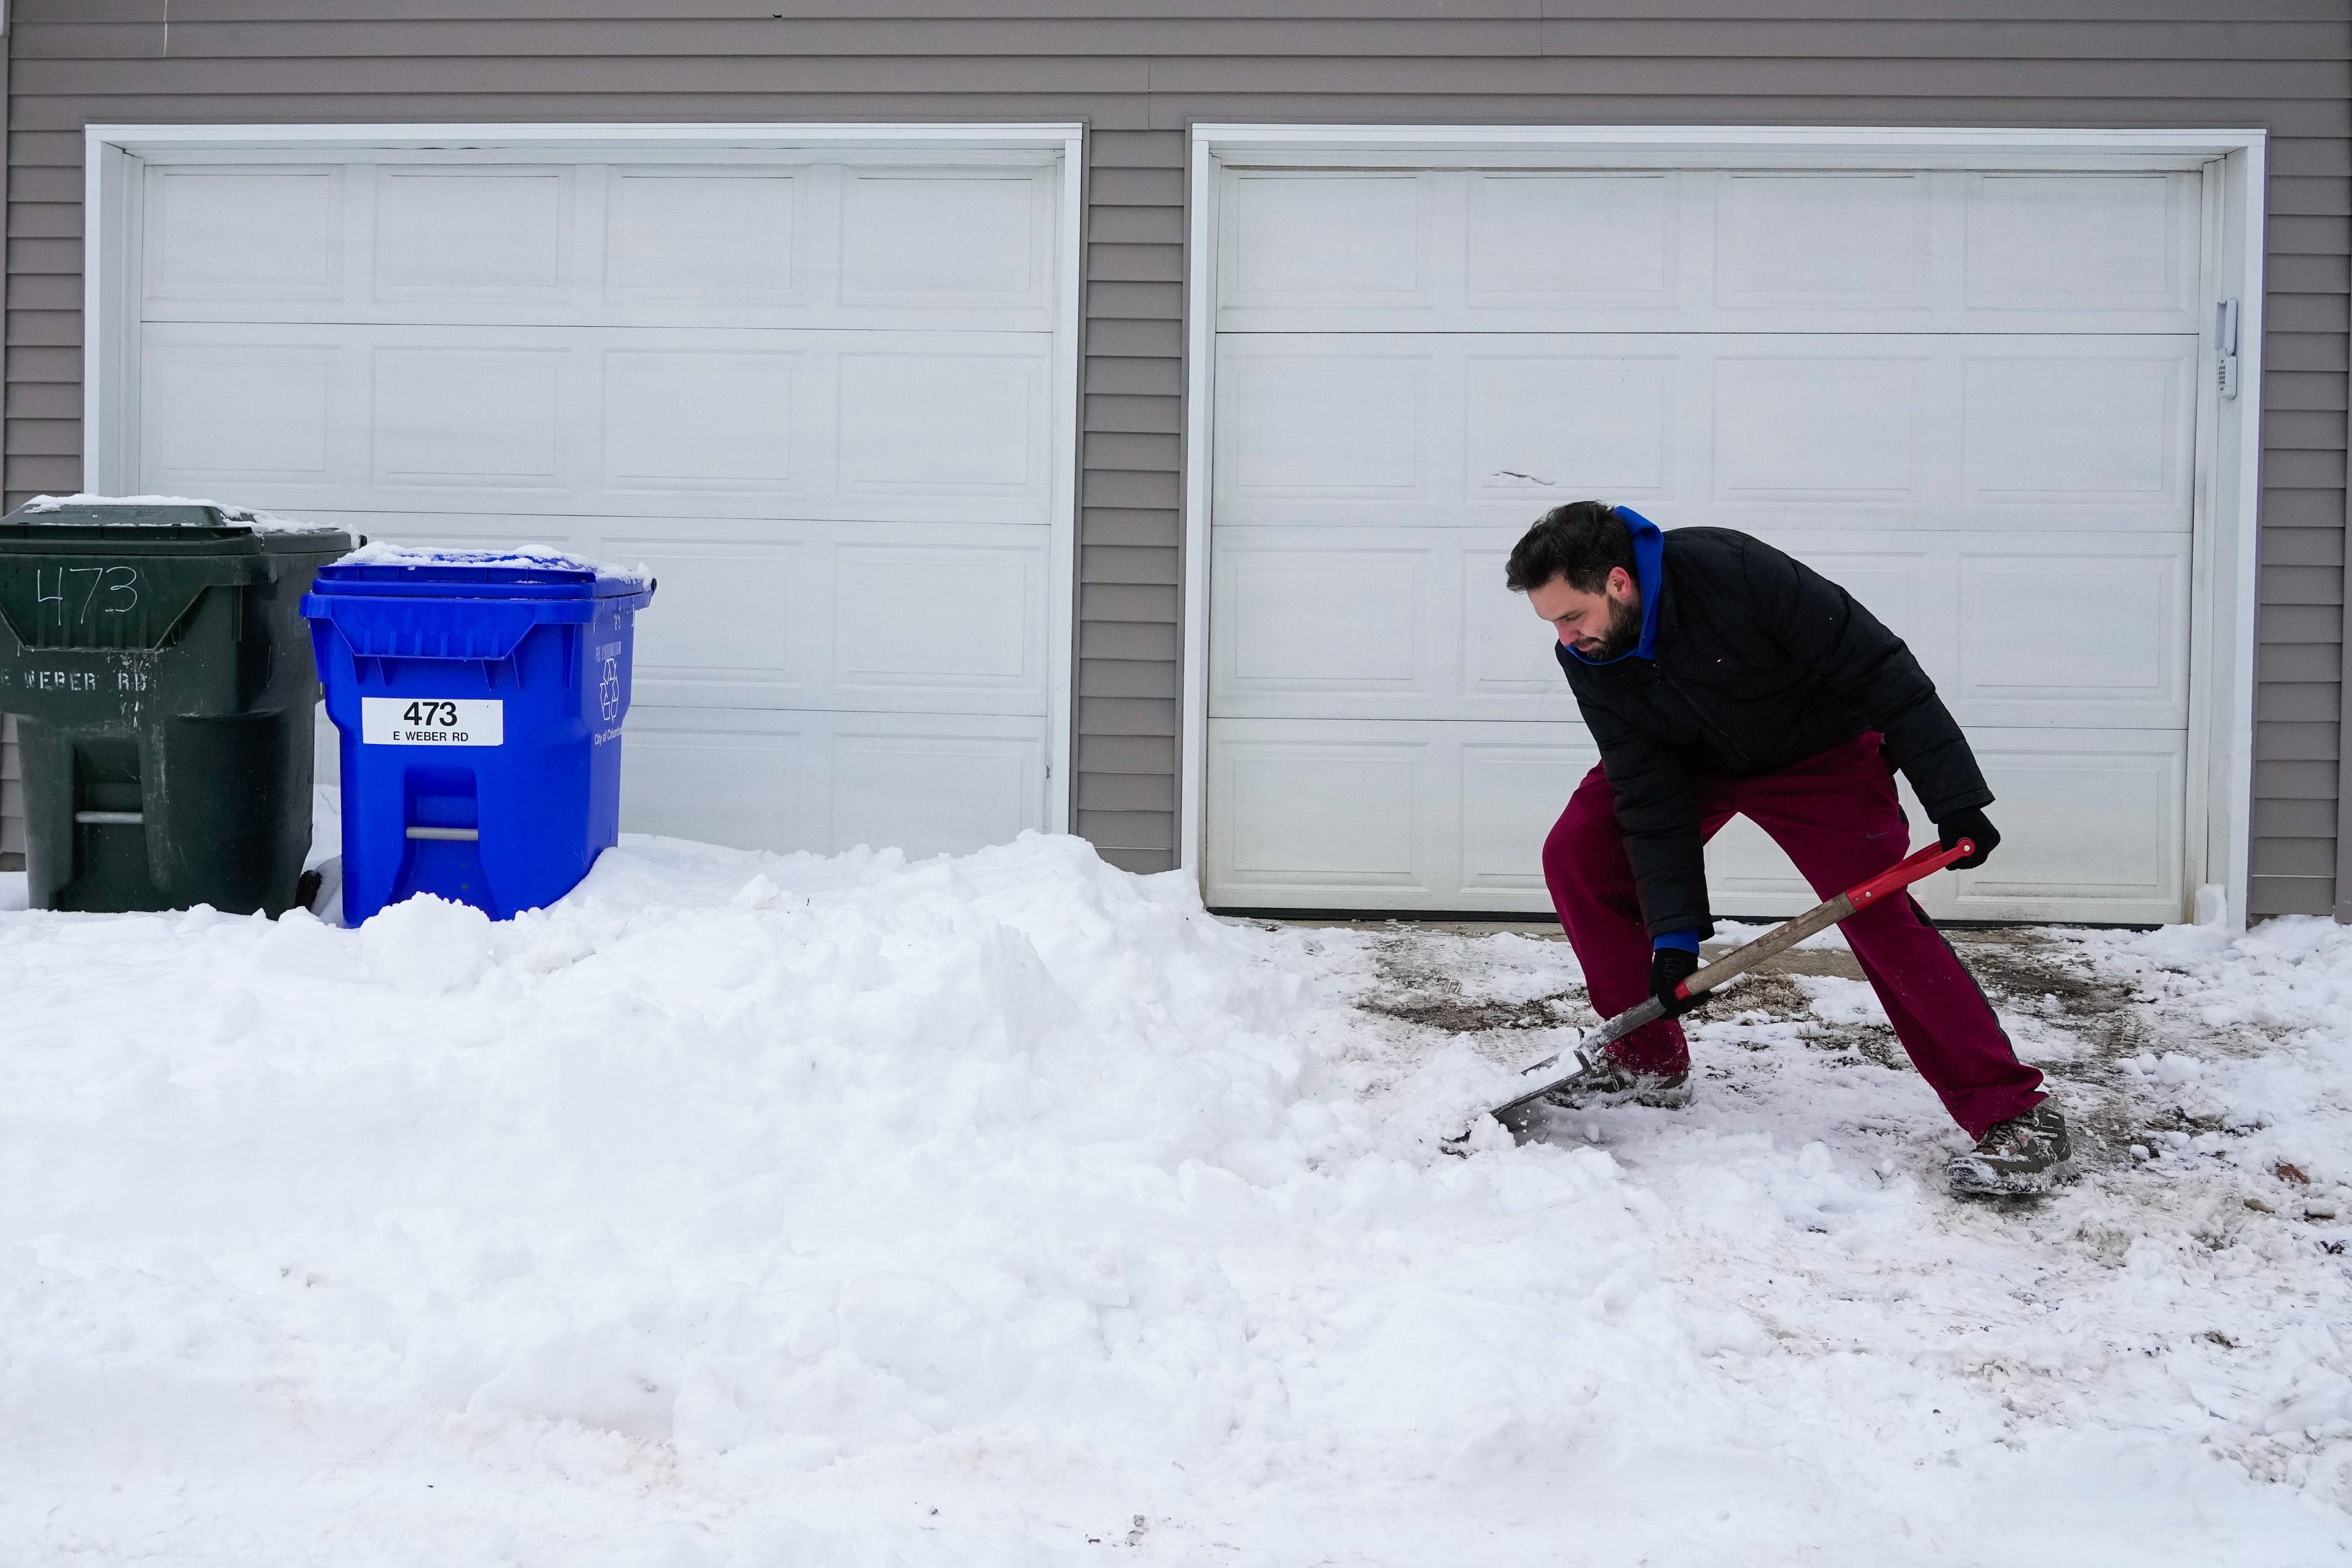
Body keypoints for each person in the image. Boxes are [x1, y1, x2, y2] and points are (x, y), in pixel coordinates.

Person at [1506, 501, 2069, 1197]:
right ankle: (1646, 1056)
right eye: (1552, 622)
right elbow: (1645, 787)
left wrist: (1954, 796)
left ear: (1618, 582)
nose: (1564, 636)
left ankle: (2014, 1114)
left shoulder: (1734, 572)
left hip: (1819, 755)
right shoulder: (1588, 651)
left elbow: (1879, 668)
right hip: (1688, 761)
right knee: (1580, 854)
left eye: (1571, 615)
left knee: (1877, 914)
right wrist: (1673, 935)